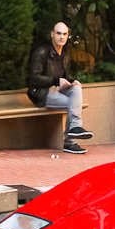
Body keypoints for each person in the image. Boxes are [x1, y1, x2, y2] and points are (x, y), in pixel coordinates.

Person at [27, 22, 93, 155]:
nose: (61, 37)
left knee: (76, 89)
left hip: (57, 90)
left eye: (64, 34)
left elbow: (64, 76)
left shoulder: (65, 53)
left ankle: (74, 128)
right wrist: (56, 81)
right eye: (58, 33)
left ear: (68, 36)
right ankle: (70, 142)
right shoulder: (41, 52)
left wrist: (73, 81)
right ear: (52, 34)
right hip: (41, 92)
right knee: (73, 104)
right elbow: (33, 79)